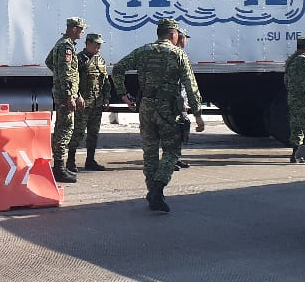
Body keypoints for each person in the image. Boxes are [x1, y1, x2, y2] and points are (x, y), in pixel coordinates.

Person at [112, 19, 205, 212]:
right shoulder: (178, 54)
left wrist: (123, 94)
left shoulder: (142, 51)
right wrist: (197, 114)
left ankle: (153, 194)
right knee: (172, 151)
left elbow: (118, 68)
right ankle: (157, 189)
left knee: (150, 152)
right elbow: (190, 85)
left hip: (146, 106)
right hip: (168, 109)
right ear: (173, 35)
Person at [45, 17, 87, 183]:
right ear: (74, 29)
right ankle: (59, 168)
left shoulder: (61, 43)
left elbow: (49, 62)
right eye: (81, 29)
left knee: (63, 127)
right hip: (64, 95)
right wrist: (70, 95)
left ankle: (59, 166)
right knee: (65, 129)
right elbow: (66, 72)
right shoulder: (66, 46)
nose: (83, 32)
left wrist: (74, 92)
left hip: (64, 92)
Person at [67, 32, 110, 172]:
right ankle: (70, 161)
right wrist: (77, 95)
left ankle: (90, 160)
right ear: (88, 44)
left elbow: (105, 81)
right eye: (96, 44)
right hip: (83, 103)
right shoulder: (78, 59)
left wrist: (106, 97)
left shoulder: (100, 60)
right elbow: (73, 80)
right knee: (78, 132)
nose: (98, 47)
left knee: (94, 133)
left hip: (96, 103)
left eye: (100, 45)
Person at [172, 28, 193, 171]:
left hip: (181, 100)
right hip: (174, 101)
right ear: (180, 38)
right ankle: (169, 160)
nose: (186, 41)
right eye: (185, 38)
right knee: (173, 131)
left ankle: (176, 157)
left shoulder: (182, 54)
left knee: (182, 128)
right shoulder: (173, 55)